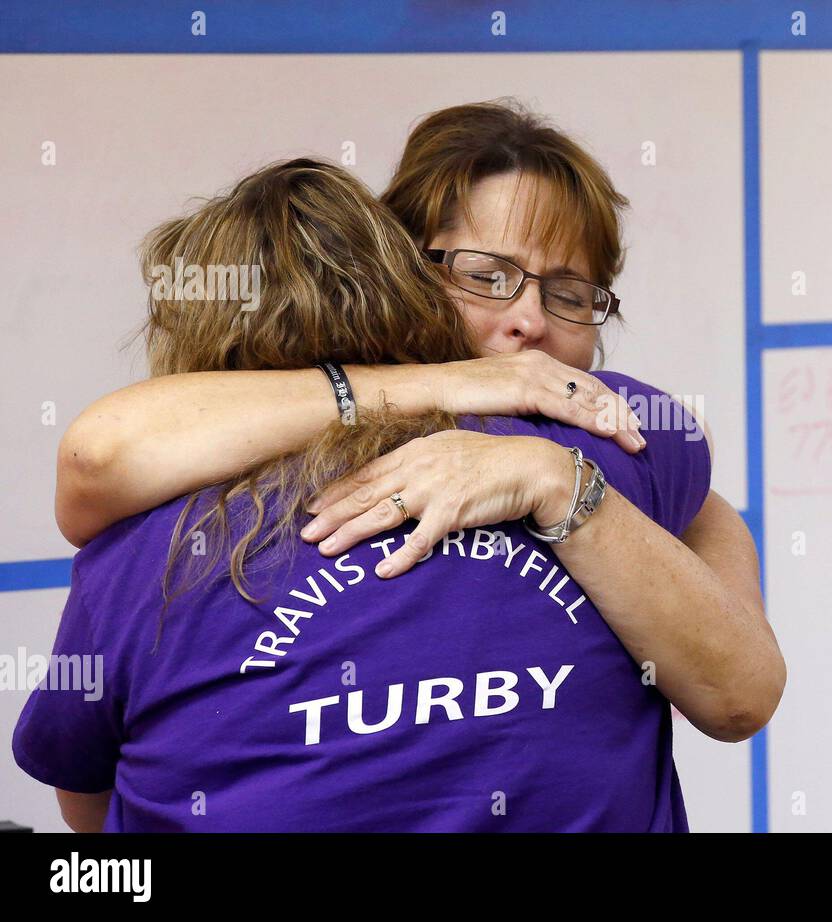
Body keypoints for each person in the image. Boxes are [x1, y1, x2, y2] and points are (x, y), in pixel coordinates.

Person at [15, 159, 717, 831]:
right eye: (486, 276)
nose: (527, 324)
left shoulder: (143, 560)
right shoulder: (618, 435)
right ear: (412, 287)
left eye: (567, 292)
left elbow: (89, 806)